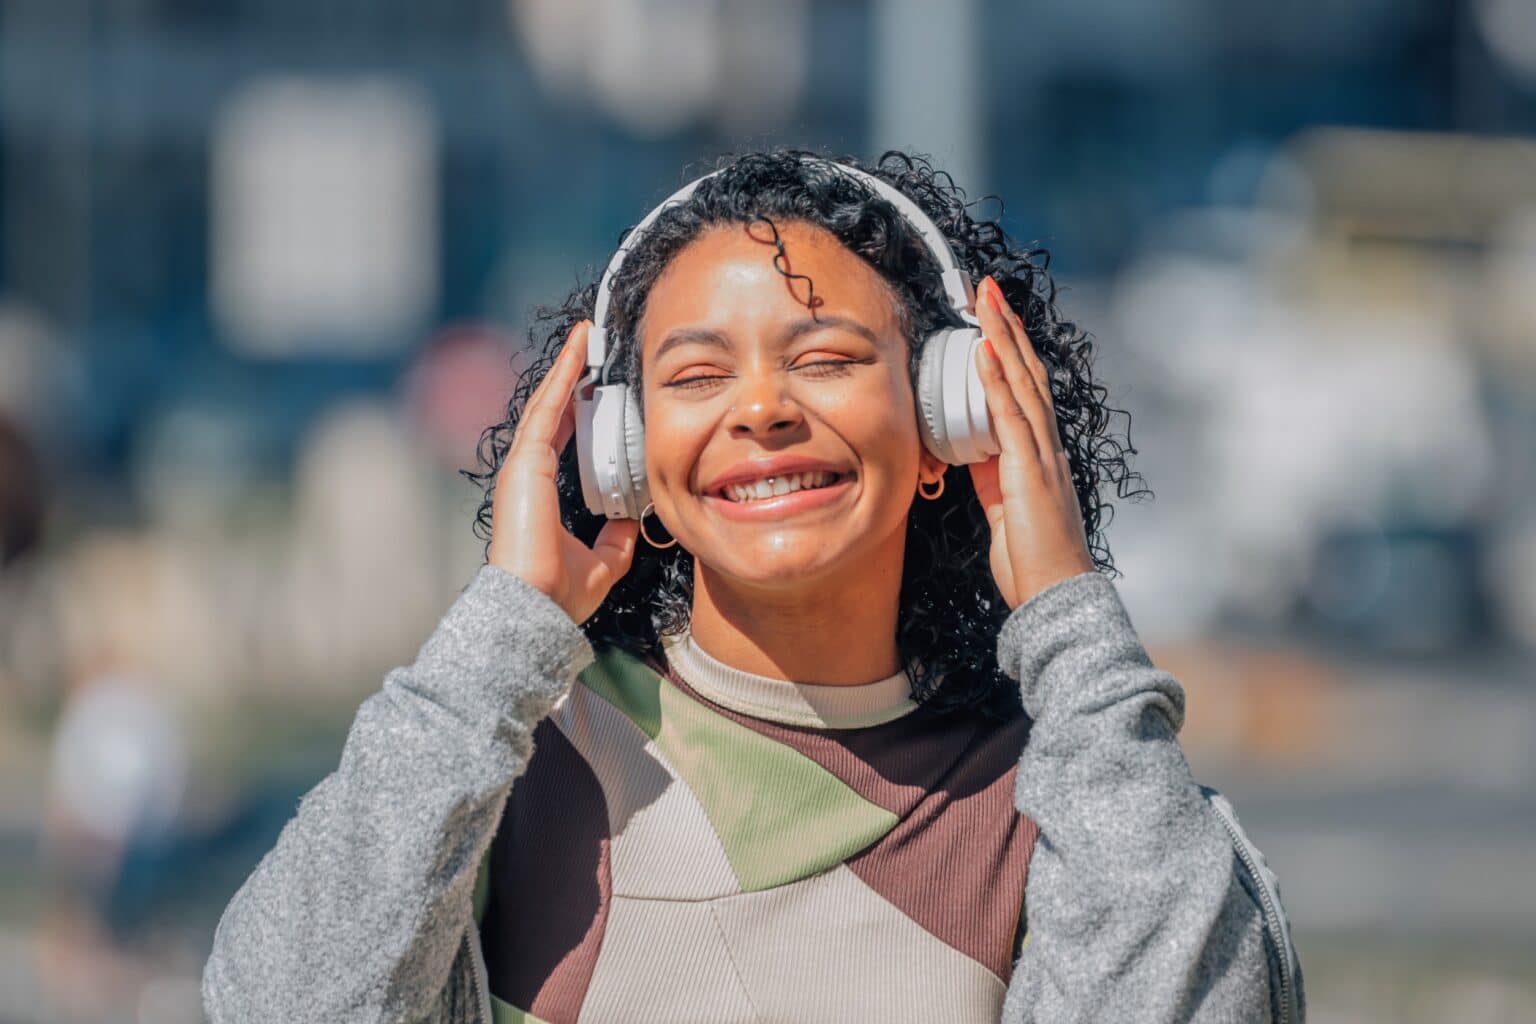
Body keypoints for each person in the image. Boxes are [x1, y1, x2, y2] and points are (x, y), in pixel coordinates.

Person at [202, 147, 1304, 1023]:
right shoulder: (504, 781)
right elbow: (281, 1000)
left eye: (825, 358)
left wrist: (1070, 619)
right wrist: (502, 629)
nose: (763, 406)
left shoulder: (1067, 803)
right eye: (695, 375)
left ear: (944, 423)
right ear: (622, 452)